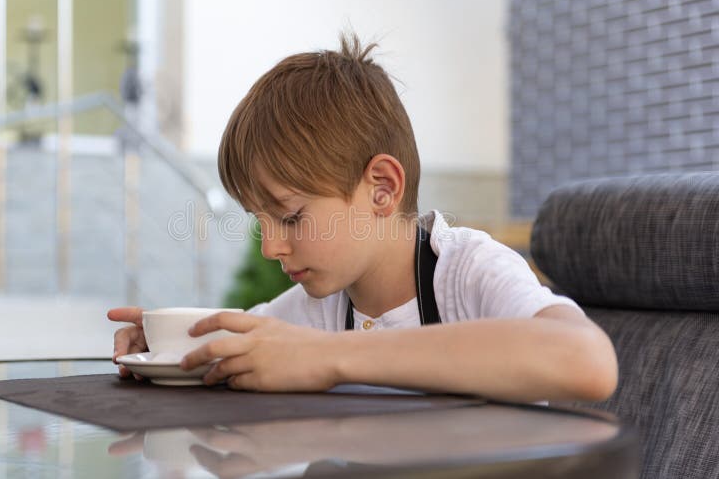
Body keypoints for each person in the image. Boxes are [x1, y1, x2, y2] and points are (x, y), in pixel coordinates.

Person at [109, 34, 617, 403]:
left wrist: (330, 357)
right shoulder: (320, 308)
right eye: (261, 223)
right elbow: (236, 347)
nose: (270, 248)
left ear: (382, 190)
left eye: (289, 217)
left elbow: (587, 361)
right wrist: (162, 346)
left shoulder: (467, 274)